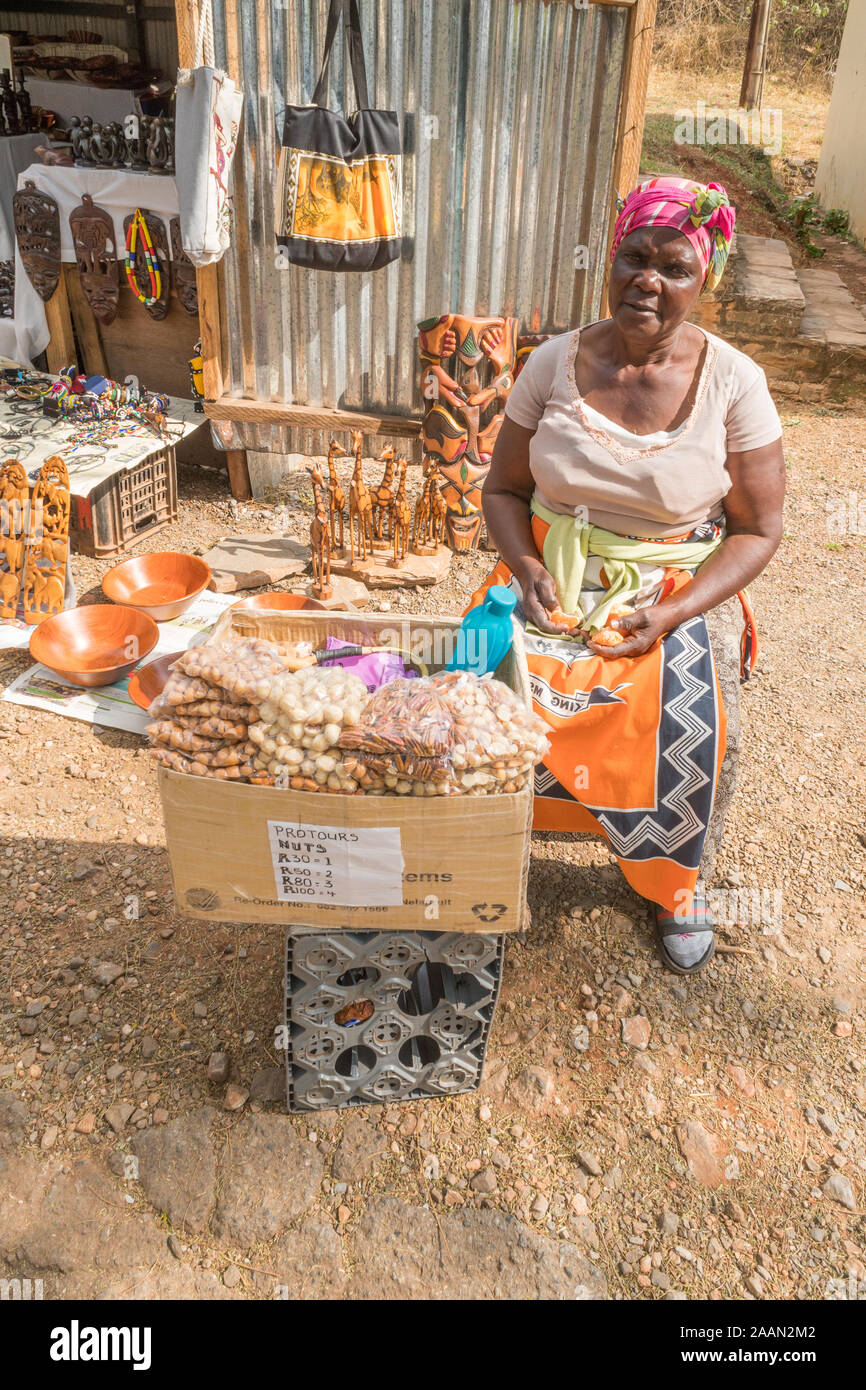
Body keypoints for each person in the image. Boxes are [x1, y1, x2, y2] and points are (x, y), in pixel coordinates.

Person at [474, 176, 786, 974]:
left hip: (671, 583)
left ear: (702, 280)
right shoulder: (552, 363)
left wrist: (679, 612)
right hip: (551, 570)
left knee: (691, 723)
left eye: (675, 267)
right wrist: (526, 566)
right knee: (475, 705)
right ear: (610, 262)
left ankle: (675, 883)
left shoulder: (734, 384)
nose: (648, 279)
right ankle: (479, 855)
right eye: (633, 256)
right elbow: (503, 489)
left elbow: (756, 530)